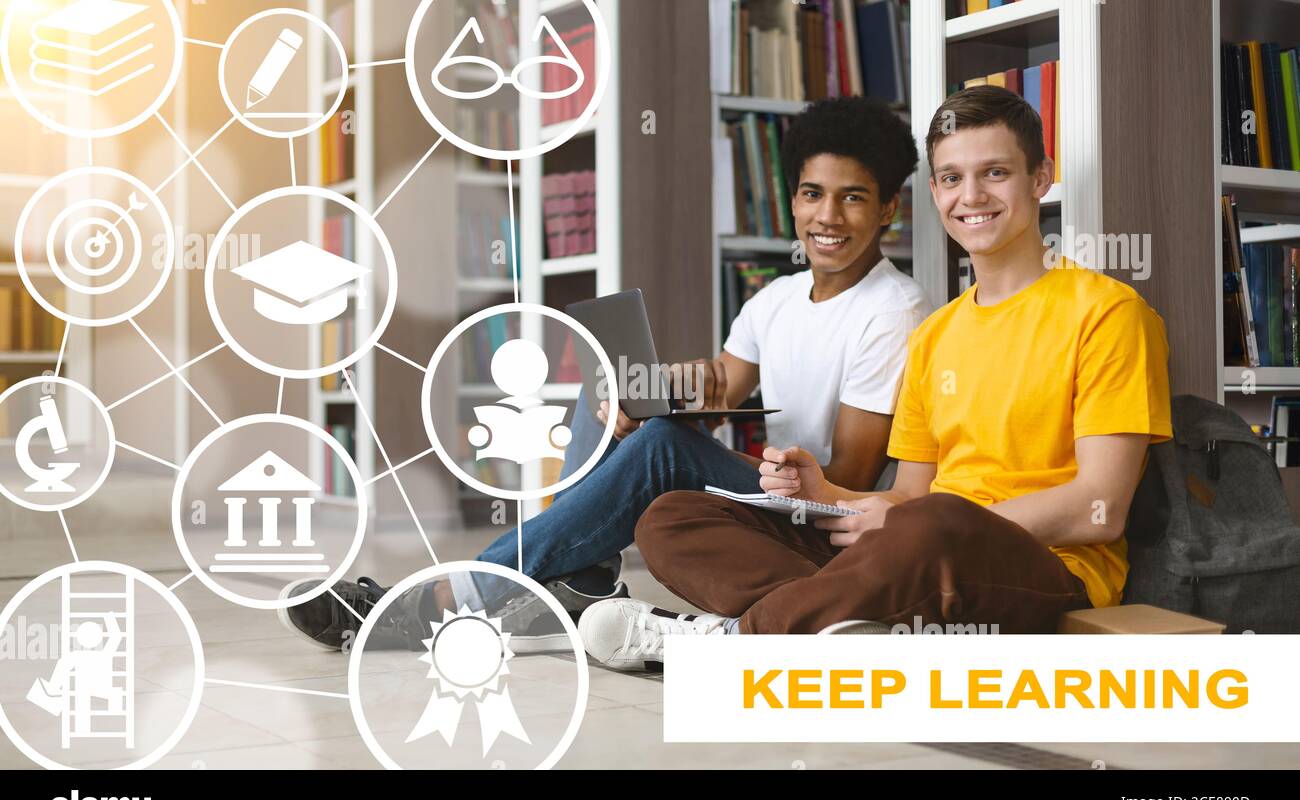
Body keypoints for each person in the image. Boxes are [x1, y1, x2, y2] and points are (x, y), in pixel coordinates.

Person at [279, 96, 932, 651]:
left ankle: (445, 598)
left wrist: (665, 426)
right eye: (813, 194)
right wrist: (645, 392)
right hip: (769, 493)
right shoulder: (776, 300)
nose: (828, 217)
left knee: (663, 445)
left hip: (824, 526)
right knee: (608, 401)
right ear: (793, 200)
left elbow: (842, 483)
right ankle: (578, 582)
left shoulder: (891, 312)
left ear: (887, 212)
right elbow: (722, 385)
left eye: (853, 199)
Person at [580, 85, 1173, 670]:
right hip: (916, 549)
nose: (971, 196)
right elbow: (909, 496)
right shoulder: (936, 334)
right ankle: (847, 627)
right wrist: (829, 497)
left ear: (1040, 178)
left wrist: (918, 521)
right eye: (950, 178)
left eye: (995, 173)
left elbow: (1101, 505)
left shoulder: (1107, 313)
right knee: (674, 518)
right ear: (935, 191)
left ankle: (730, 639)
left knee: (938, 521)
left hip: (1044, 568)